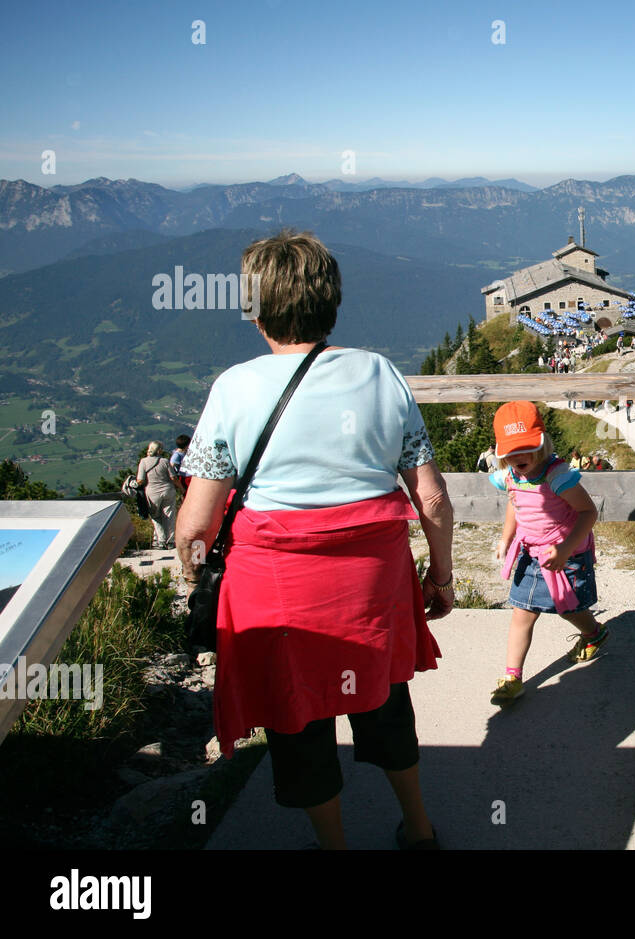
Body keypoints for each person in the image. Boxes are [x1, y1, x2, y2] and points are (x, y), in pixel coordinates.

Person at [175, 229, 453, 850]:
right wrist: (440, 578)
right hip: (370, 586)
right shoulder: (379, 374)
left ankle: (334, 847)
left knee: (296, 723)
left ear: (256, 310)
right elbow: (431, 497)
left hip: (274, 594)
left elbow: (196, 524)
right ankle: (419, 827)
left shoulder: (234, 388)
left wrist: (195, 579)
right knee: (383, 701)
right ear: (331, 300)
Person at [488, 401, 607, 705]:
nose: (517, 457)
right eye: (510, 451)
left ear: (540, 443)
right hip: (531, 554)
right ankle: (512, 677)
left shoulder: (558, 477)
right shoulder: (512, 477)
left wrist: (566, 549)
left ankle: (594, 633)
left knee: (569, 607)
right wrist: (506, 539)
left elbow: (588, 512)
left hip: (564, 556)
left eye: (524, 447)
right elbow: (515, 504)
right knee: (522, 612)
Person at [137, 441, 183, 548]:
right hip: (168, 490)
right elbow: (173, 477)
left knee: (156, 517)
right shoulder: (165, 461)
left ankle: (161, 540)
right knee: (169, 516)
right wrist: (181, 489)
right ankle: (171, 541)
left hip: (152, 492)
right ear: (159, 450)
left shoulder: (143, 462)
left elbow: (140, 480)